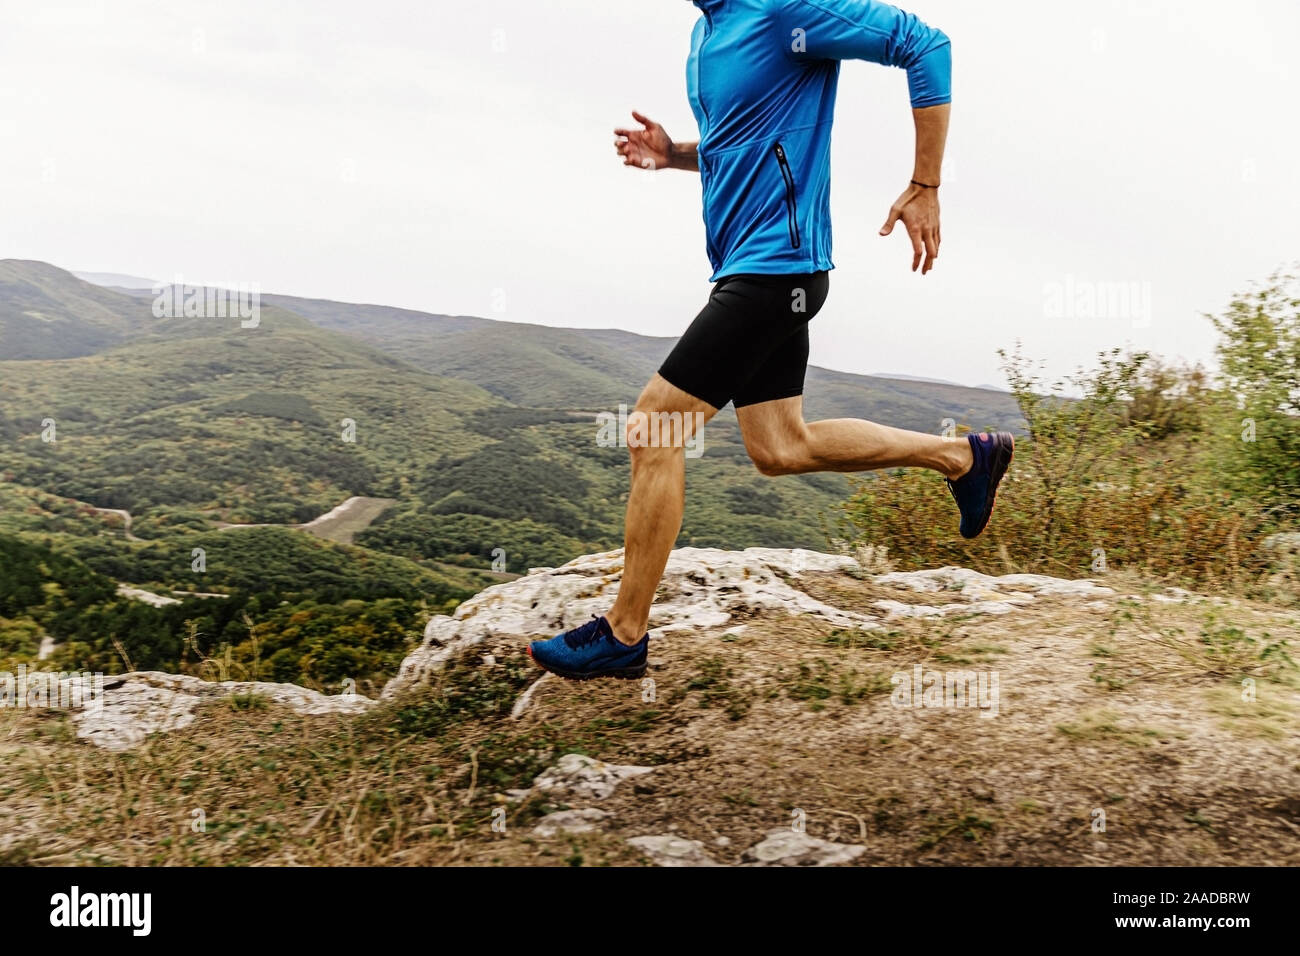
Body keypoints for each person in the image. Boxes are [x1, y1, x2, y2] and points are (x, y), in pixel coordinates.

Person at [528, 0, 1013, 681]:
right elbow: (743, 140)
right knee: (781, 447)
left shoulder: (787, 7)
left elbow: (926, 44)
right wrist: (674, 156)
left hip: (776, 268)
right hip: (750, 269)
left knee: (654, 428)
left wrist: (925, 184)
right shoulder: (708, 30)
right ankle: (965, 456)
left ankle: (625, 633)